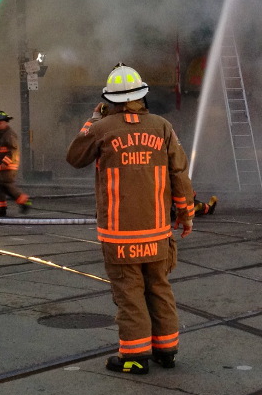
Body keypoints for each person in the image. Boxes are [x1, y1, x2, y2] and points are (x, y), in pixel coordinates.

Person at [66, 63, 195, 375]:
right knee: (160, 289)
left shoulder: (101, 129)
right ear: (142, 96)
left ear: (109, 100)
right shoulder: (163, 127)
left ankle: (135, 358)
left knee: (129, 294)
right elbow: (178, 174)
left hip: (120, 236)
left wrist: (91, 121)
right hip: (157, 232)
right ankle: (167, 351)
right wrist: (187, 214)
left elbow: (74, 157)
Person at [0, 110, 31, 216]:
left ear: (6, 122)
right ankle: (0, 209)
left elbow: (13, 151)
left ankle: (25, 202)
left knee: (7, 186)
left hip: (7, 167)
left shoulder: (9, 135)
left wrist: (2, 165)